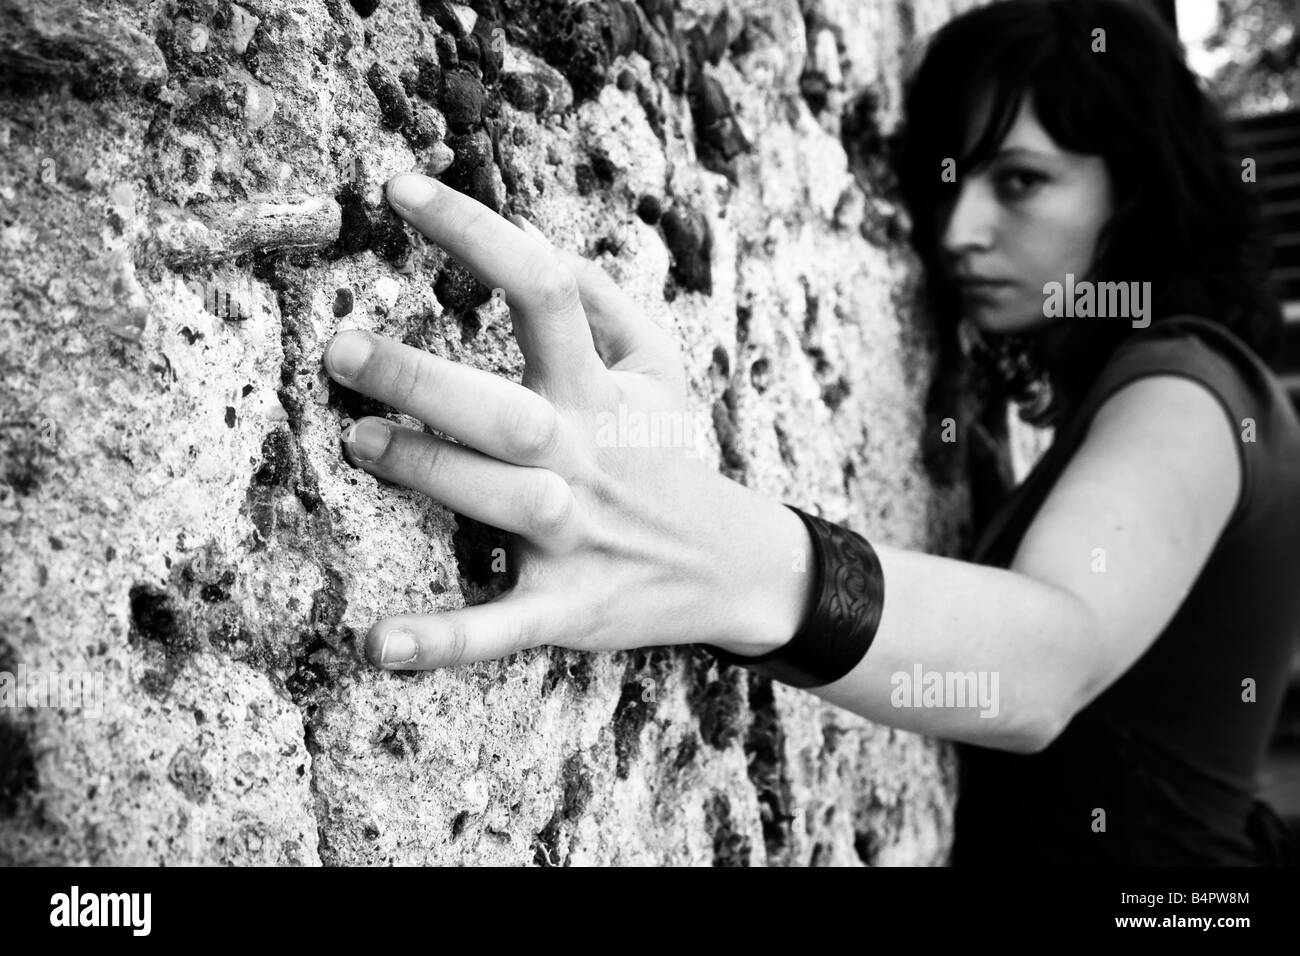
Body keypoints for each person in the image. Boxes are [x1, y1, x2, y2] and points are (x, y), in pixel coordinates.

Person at [322, 0, 1300, 865]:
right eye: (952, 184)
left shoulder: (1188, 386)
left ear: (1134, 190)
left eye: (1020, 182)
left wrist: (715, 551)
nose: (958, 231)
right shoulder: (1170, 389)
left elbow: (1047, 662)